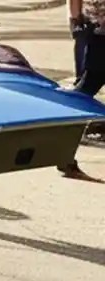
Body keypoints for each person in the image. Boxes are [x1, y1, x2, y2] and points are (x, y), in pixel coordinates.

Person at [59, 0, 105, 177]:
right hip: (97, 33)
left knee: (84, 92)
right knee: (83, 94)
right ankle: (63, 154)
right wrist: (76, 22)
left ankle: (64, 156)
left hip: (96, 33)